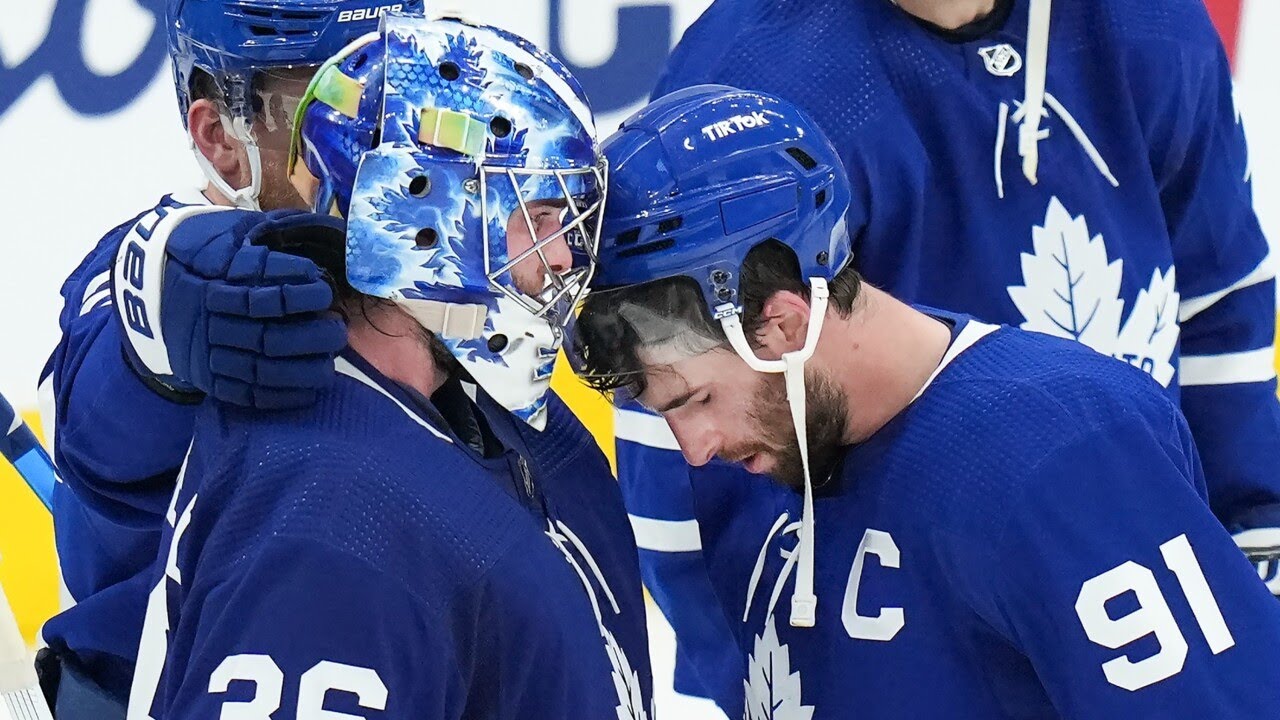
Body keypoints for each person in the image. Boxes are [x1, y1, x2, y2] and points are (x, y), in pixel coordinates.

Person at [618, 0, 1280, 711]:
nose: (693, 440)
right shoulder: (756, 72)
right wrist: (768, 688)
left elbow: (1219, 302)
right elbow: (681, 410)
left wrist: (1254, 543)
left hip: (1120, 520)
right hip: (873, 604)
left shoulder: (1149, 26)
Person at [126, 15, 653, 719]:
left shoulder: (509, 430)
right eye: (539, 213)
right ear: (418, 214)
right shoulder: (330, 514)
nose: (562, 258)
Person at [36, 0, 424, 713]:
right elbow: (93, 424)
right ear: (219, 134)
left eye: (401, 101)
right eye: (333, 111)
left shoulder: (434, 266)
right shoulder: (141, 268)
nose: (383, 146)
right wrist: (159, 339)